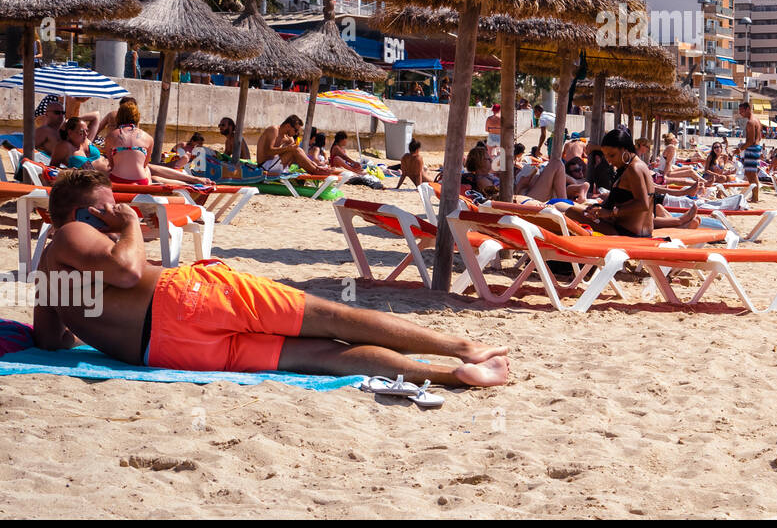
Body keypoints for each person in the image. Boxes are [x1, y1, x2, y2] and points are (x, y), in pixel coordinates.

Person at [32, 169, 509, 385]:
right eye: (109, 206)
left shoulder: (51, 270)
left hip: (166, 349)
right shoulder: (73, 232)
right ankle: (462, 349)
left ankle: (449, 376)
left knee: (321, 356)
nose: (118, 212)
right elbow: (128, 269)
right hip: (186, 300)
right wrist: (132, 225)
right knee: (334, 318)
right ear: (82, 211)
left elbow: (50, 342)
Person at [575, 129, 655, 238]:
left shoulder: (633, 169)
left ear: (625, 149)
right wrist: (599, 209)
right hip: (633, 231)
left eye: (612, 155)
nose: (609, 160)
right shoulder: (635, 165)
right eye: (606, 156)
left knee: (571, 212)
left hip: (627, 234)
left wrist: (611, 213)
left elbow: (643, 204)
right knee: (580, 211)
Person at [103, 99, 154, 185]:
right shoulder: (148, 138)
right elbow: (144, 165)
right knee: (147, 169)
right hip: (140, 181)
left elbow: (111, 165)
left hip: (117, 179)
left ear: (118, 116)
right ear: (137, 117)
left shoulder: (111, 136)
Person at [256, 116, 327, 176]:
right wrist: (288, 148)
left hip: (274, 165)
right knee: (294, 150)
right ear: (288, 126)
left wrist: (314, 164)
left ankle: (316, 168)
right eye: (296, 130)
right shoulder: (274, 130)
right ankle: (316, 171)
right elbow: (268, 151)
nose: (296, 134)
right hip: (265, 166)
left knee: (297, 149)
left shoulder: (287, 136)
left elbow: (298, 150)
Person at [735, 102, 763, 203]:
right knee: (750, 173)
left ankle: (755, 198)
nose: (740, 113)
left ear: (748, 109)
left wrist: (740, 149)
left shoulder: (750, 122)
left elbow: (750, 141)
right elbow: (759, 136)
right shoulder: (757, 120)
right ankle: (755, 196)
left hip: (752, 148)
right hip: (756, 147)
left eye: (742, 111)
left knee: (751, 174)